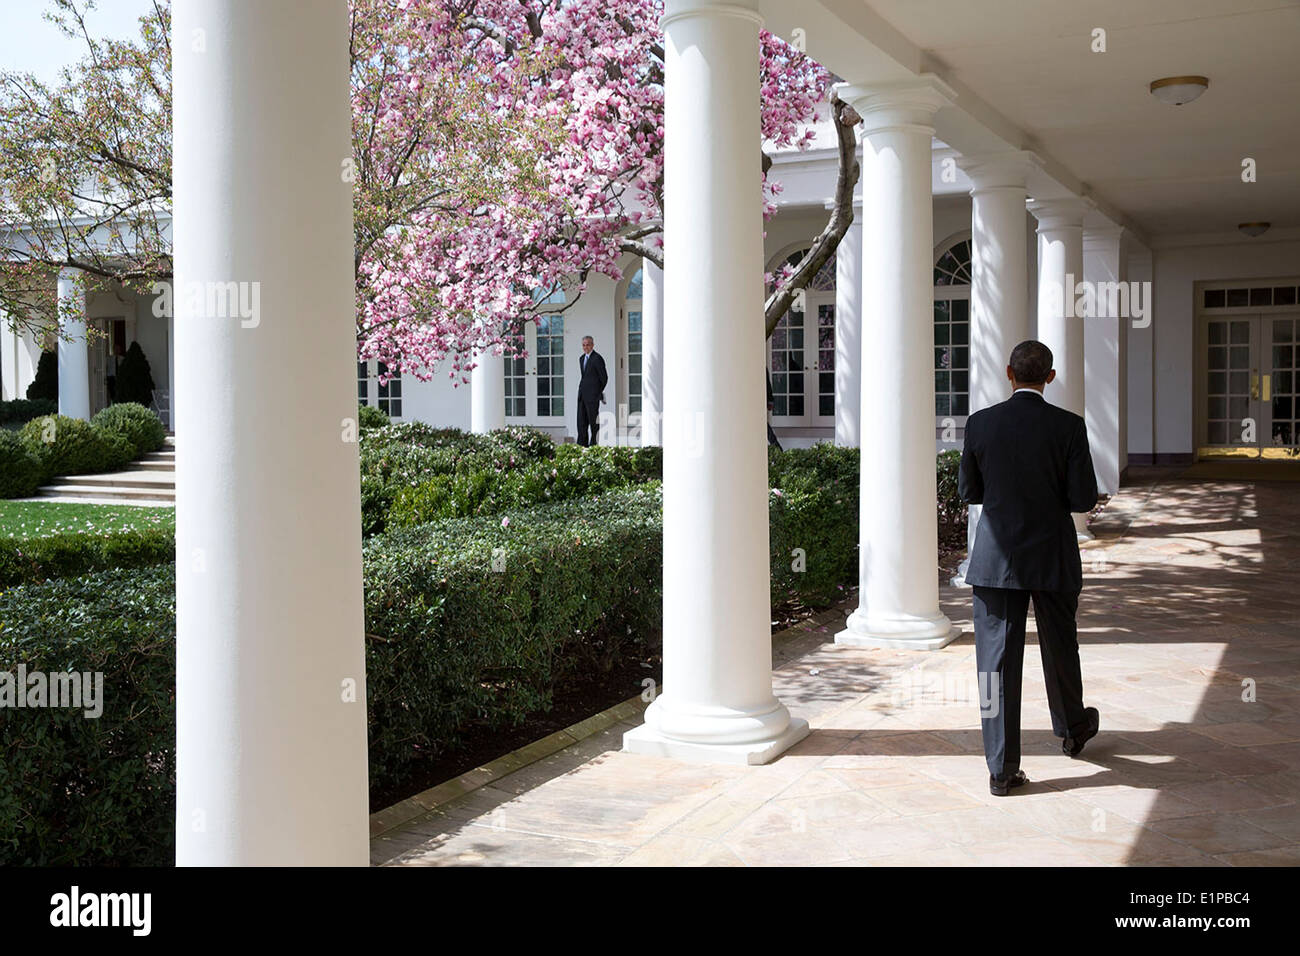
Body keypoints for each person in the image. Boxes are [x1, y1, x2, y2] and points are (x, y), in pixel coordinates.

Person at [958, 339, 1101, 797]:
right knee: (1061, 646)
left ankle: (1001, 769)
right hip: (1052, 554)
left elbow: (968, 491)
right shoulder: (1069, 426)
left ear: (1009, 373)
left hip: (997, 560)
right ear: (1051, 377)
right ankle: (1073, 729)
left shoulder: (980, 424)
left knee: (993, 667)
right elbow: (1082, 499)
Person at [576, 335, 607, 446]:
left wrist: (597, 393)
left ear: (592, 345)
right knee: (581, 423)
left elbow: (604, 378)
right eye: (583, 345)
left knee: (594, 423)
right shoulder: (581, 358)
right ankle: (581, 446)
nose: (585, 347)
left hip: (592, 397)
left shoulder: (597, 358)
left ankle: (594, 445)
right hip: (582, 396)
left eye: (588, 345)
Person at [766, 367, 782, 450]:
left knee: (764, 427)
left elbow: (767, 384)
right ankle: (778, 450)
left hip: (756, 403)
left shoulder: (759, 364)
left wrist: (770, 401)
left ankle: (778, 450)